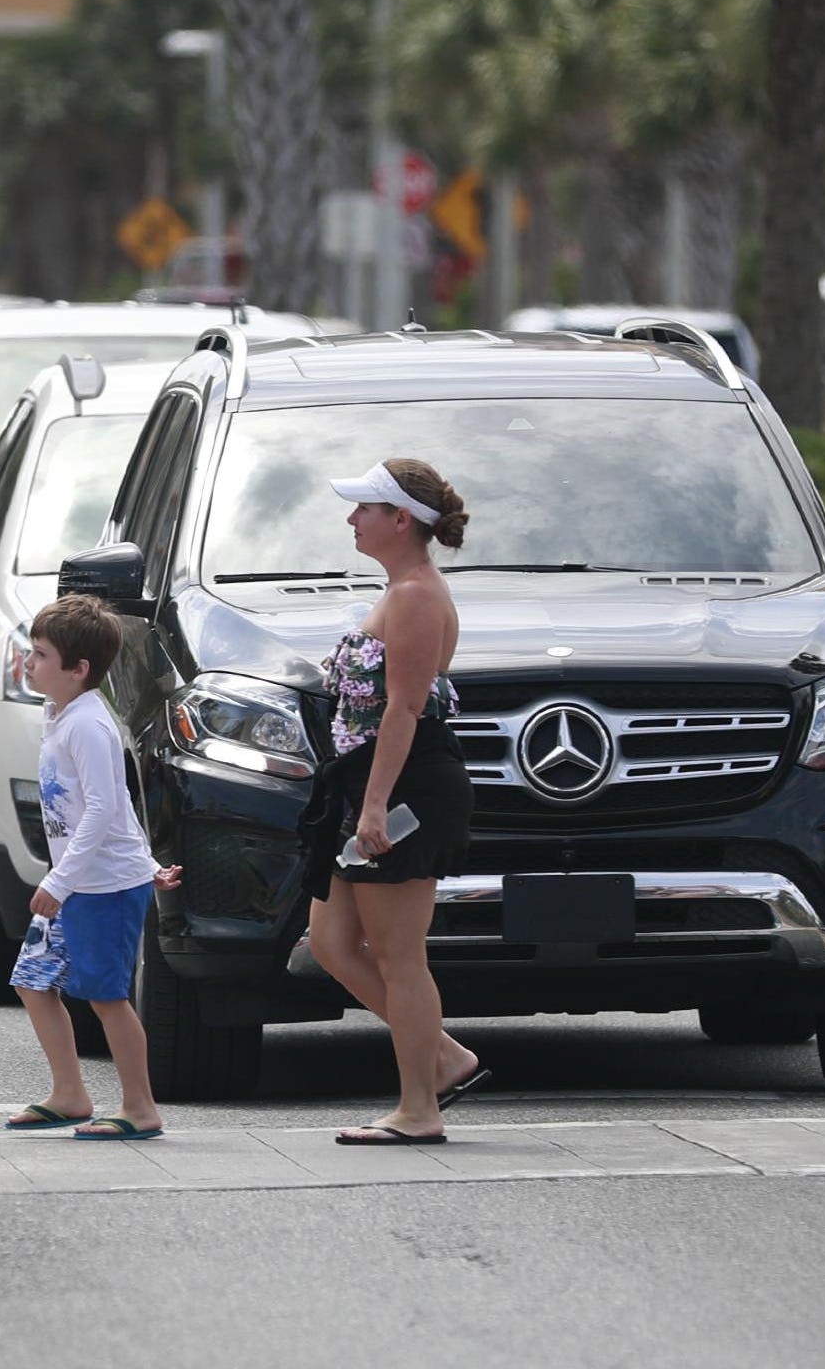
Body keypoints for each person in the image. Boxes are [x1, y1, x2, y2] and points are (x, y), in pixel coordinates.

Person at [310, 458, 481, 1146]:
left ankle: (419, 1108)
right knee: (329, 942)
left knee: (399, 954)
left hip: (404, 787)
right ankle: (441, 1055)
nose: (351, 519)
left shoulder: (416, 595)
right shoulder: (398, 589)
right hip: (366, 784)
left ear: (400, 519)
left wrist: (376, 808)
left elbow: (405, 711)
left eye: (363, 509)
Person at [0, 594, 184, 1141]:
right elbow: (115, 803)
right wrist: (147, 861)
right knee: (33, 981)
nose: (28, 663)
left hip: (98, 886)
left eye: (39, 654)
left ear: (79, 670)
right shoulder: (59, 714)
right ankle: (70, 1093)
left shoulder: (88, 725)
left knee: (107, 997)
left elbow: (106, 806)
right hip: (82, 881)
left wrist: (61, 881)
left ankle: (140, 1107)